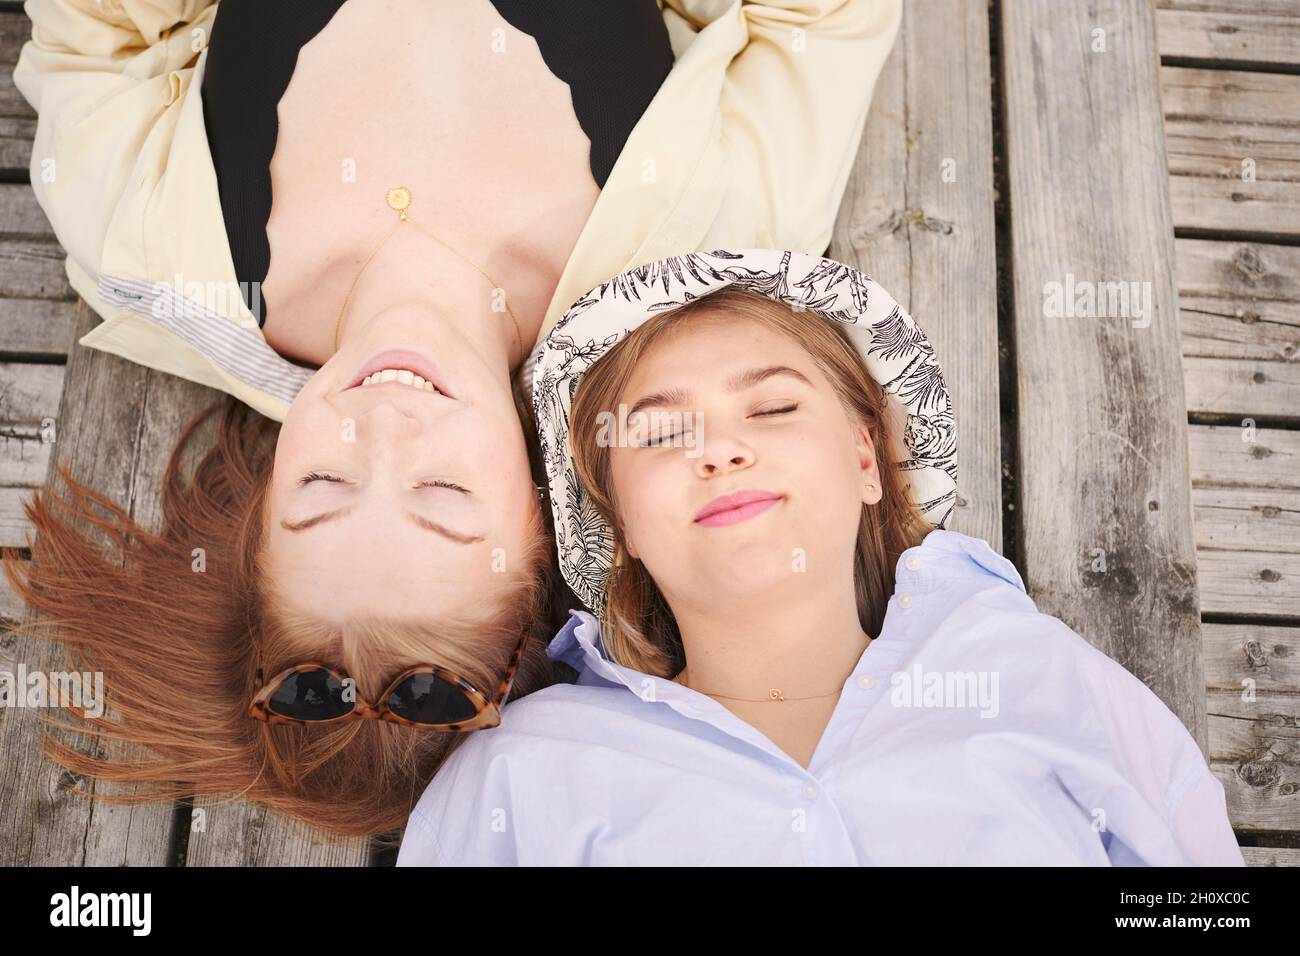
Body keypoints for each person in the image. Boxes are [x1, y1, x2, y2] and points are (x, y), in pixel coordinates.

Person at [6, 0, 902, 840]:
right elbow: (815, 22)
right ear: (539, 523)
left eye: (323, 485)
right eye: (441, 491)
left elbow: (95, 37)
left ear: (265, 501)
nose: (387, 426)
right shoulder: (702, 252)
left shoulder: (157, 254)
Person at [396, 248, 1244, 865]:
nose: (720, 450)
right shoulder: (524, 776)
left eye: (771, 409)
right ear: (616, 526)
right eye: (659, 432)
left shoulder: (1034, 676)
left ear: (869, 462)